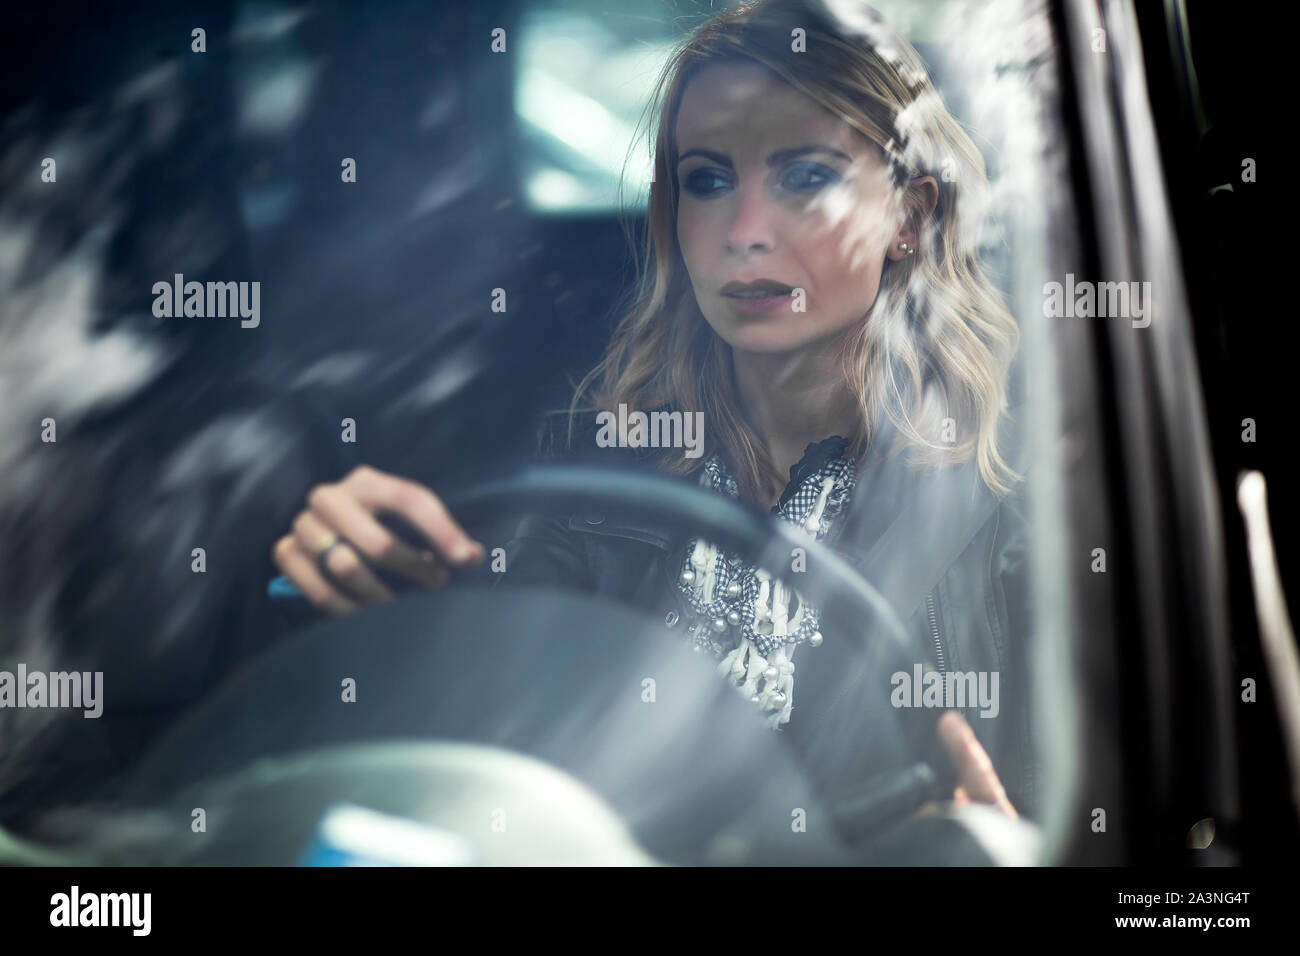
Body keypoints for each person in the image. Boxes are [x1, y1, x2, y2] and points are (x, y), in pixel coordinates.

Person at [271, 0, 1036, 822]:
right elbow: (484, 704)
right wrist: (372, 583)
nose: (744, 231)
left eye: (806, 176)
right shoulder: (594, 474)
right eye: (707, 180)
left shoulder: (1020, 513)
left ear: (909, 216)